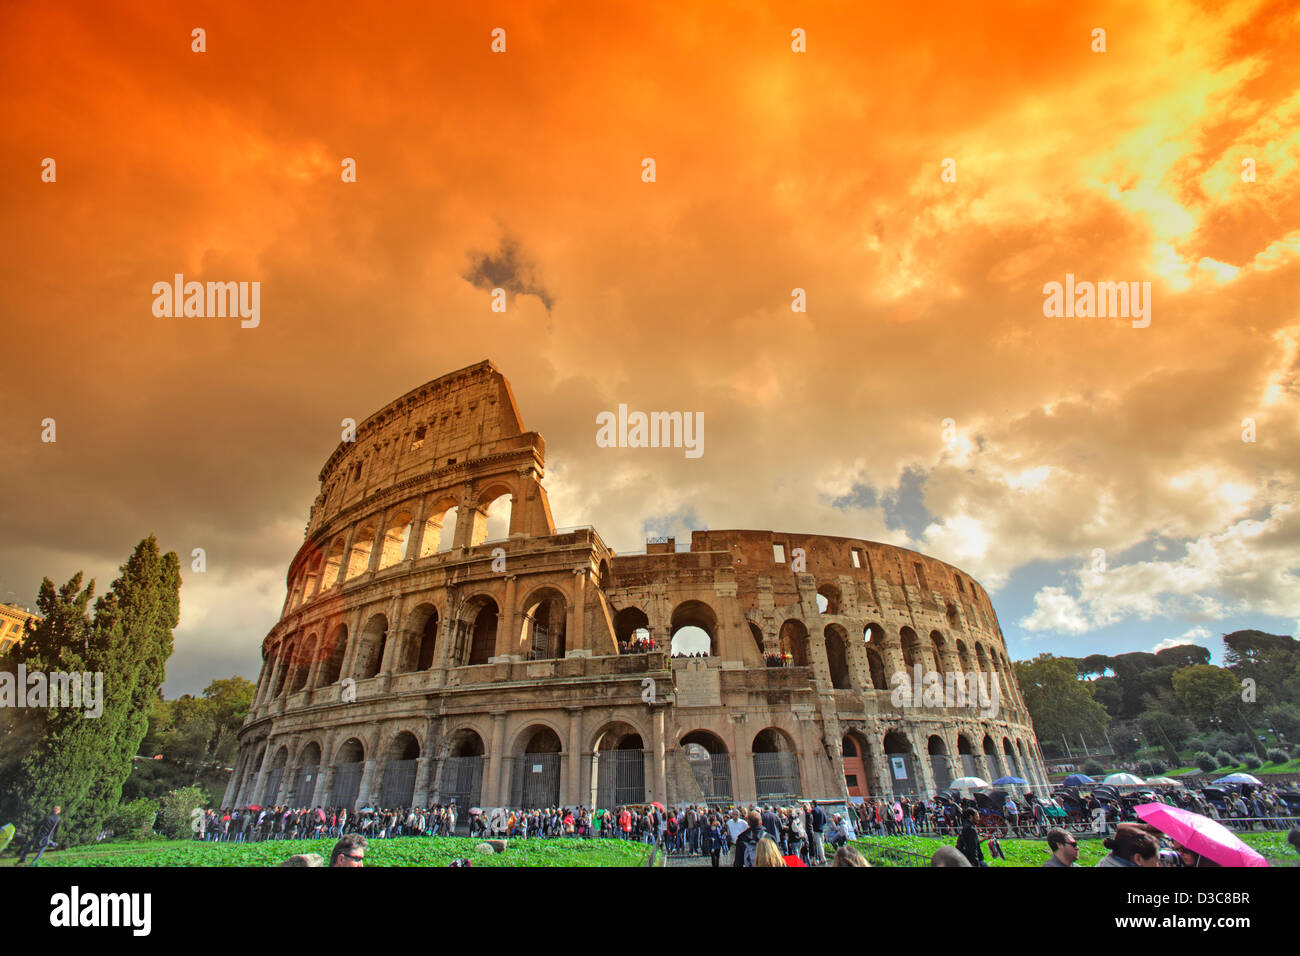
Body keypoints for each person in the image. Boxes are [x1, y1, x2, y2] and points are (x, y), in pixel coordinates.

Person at [807, 801, 827, 866]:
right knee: (822, 844)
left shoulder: (813, 811)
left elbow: (812, 821)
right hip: (822, 829)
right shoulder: (821, 810)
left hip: (816, 830)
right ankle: (823, 858)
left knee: (819, 845)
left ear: (813, 804)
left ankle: (823, 859)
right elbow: (824, 820)